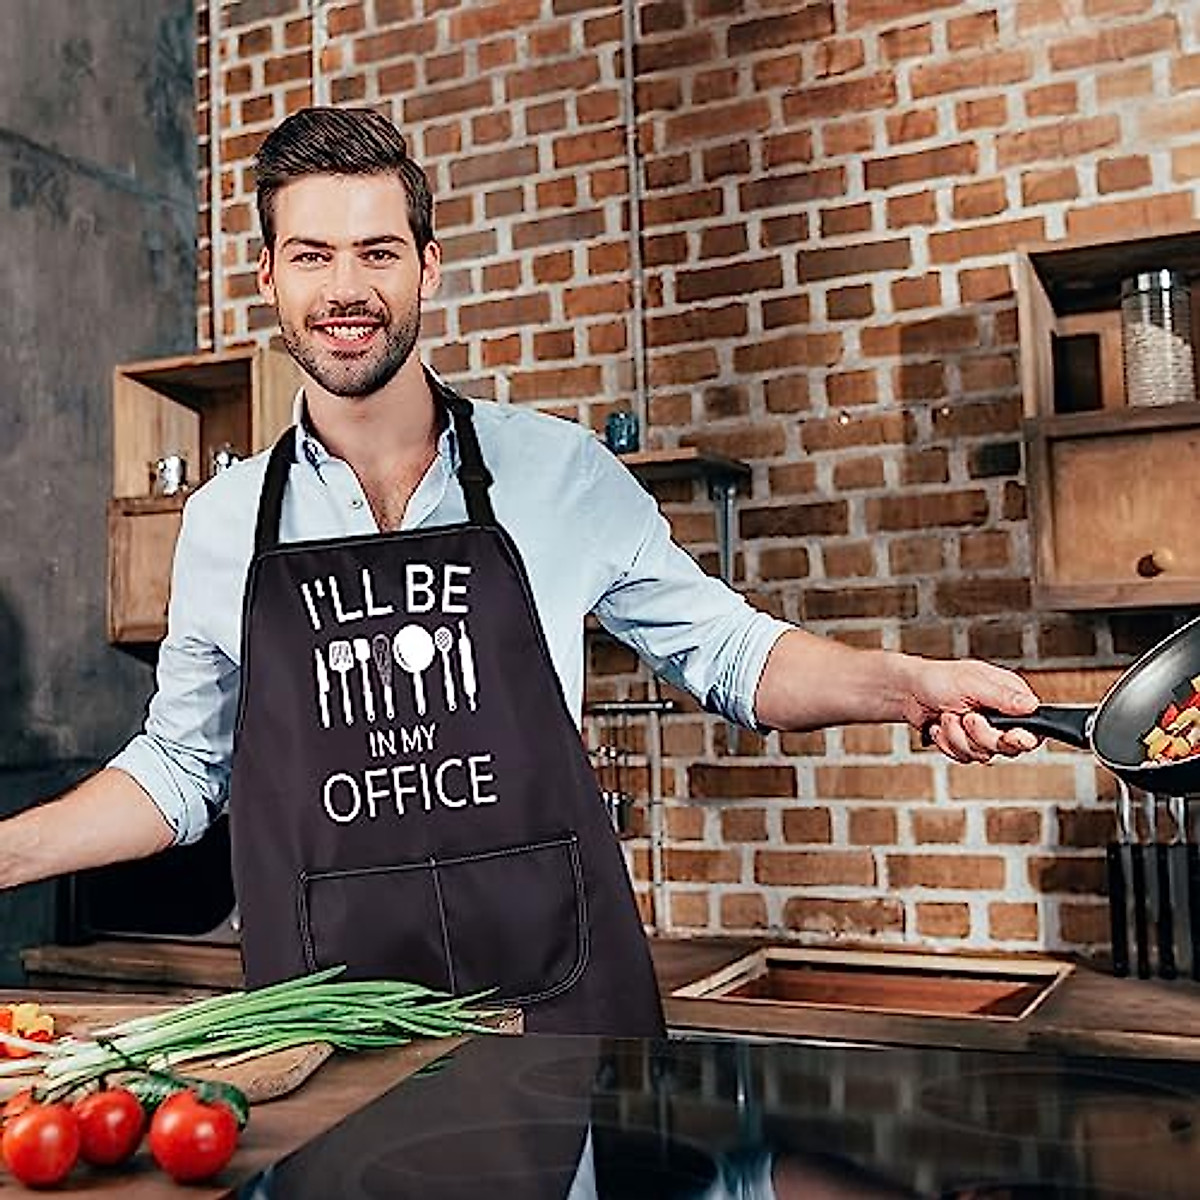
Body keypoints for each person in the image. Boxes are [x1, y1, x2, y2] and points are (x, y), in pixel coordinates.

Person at [0, 108, 1040, 1038]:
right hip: (325, 1027)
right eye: (311, 256)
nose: (347, 289)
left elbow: (729, 655)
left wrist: (905, 685)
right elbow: (183, 772)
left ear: (428, 267)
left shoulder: (558, 472)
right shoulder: (225, 522)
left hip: (554, 1005)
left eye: (377, 252)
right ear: (268, 277)